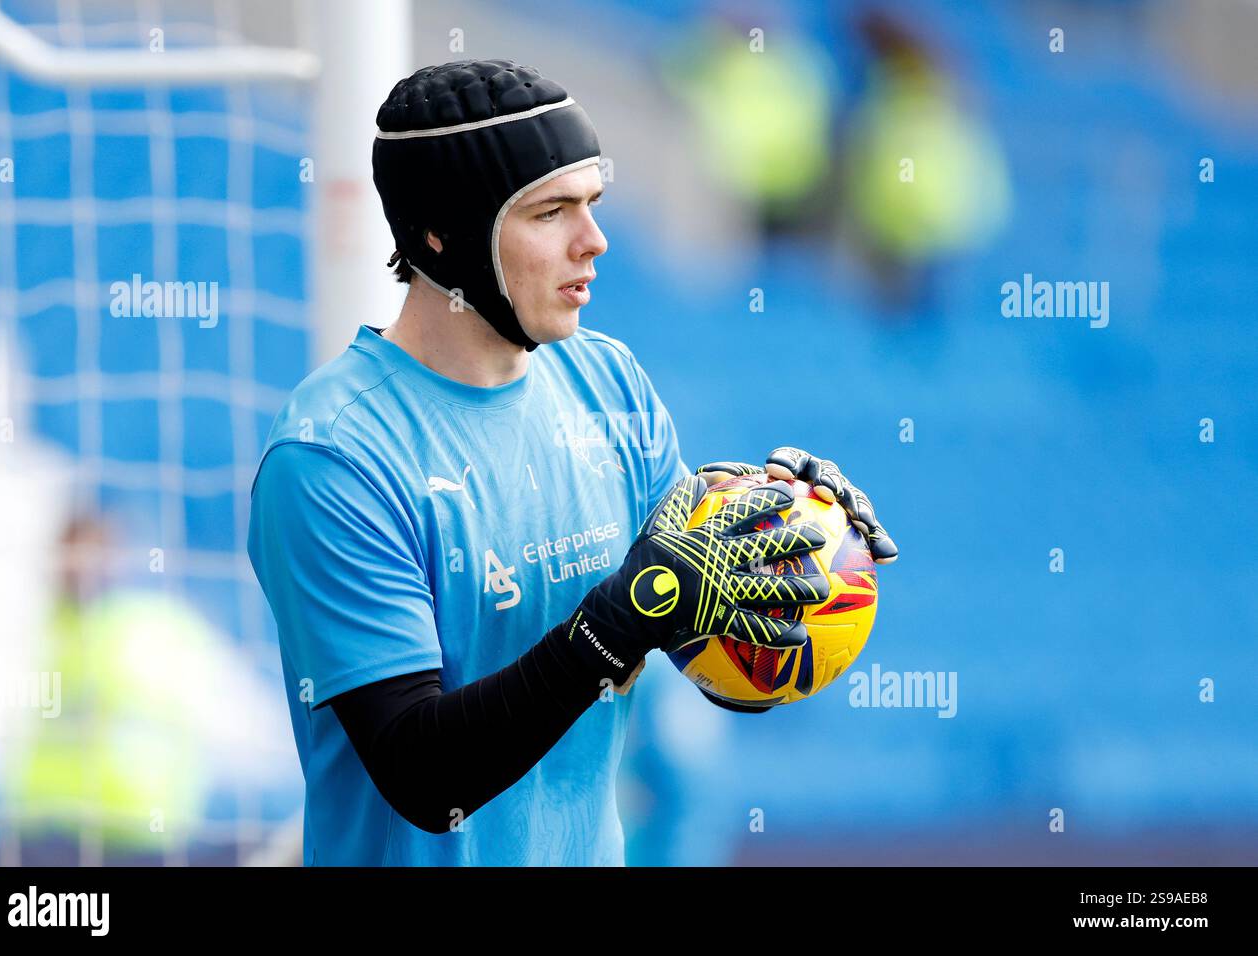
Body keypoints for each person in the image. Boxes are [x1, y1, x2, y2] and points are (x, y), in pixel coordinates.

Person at [247, 59, 897, 866]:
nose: (594, 241)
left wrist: (790, 542)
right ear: (440, 234)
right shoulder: (333, 457)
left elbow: (708, 654)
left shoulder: (608, 380)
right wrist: (621, 620)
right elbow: (424, 777)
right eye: (551, 211)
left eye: (592, 204)